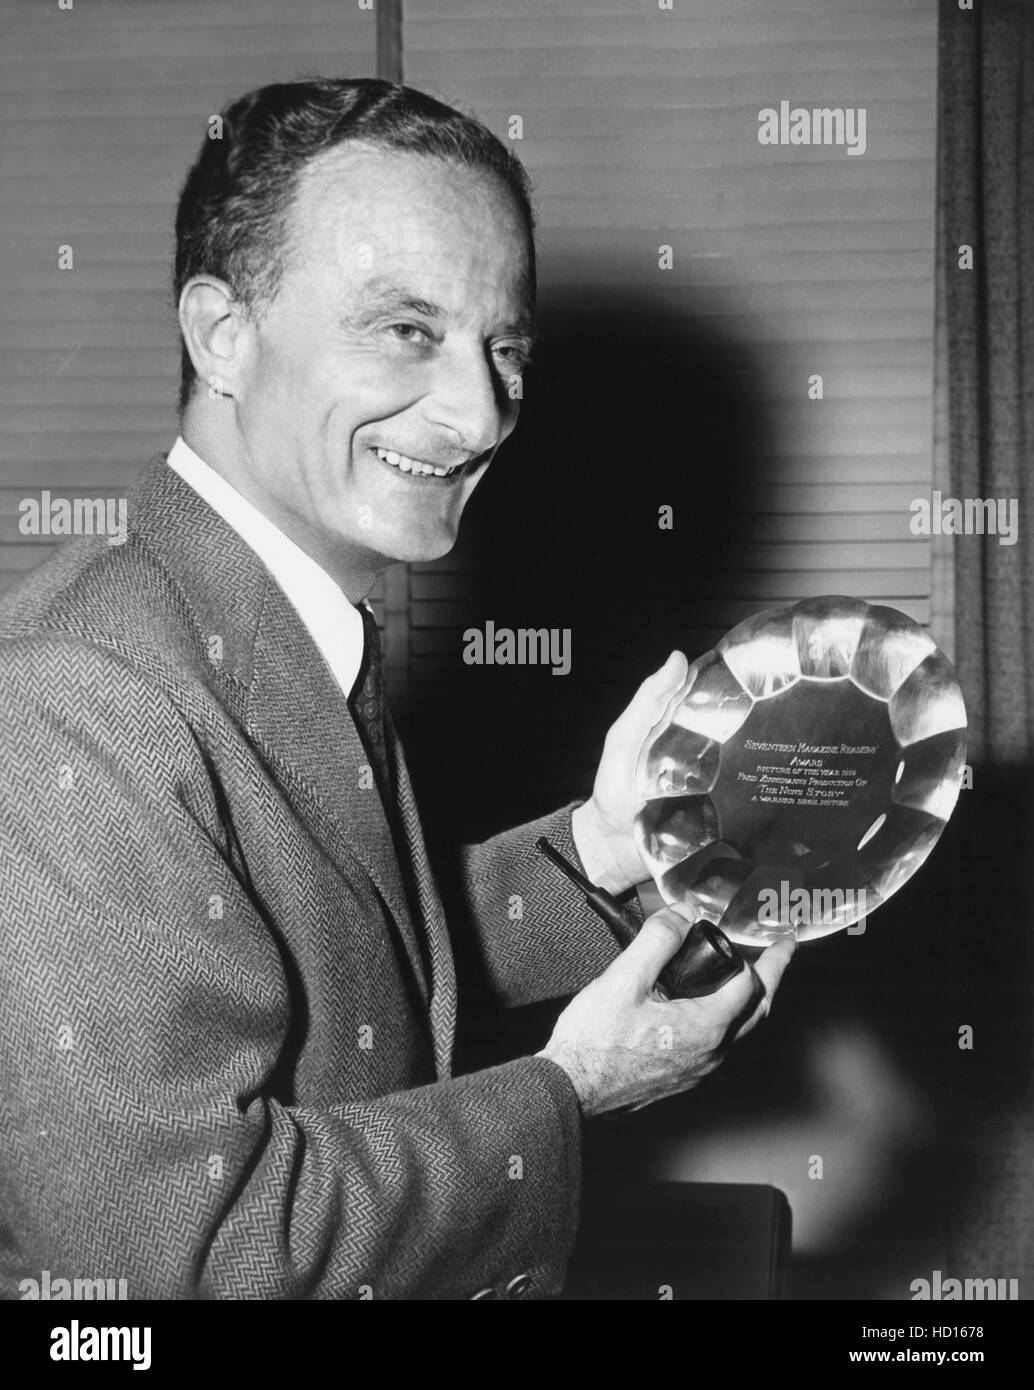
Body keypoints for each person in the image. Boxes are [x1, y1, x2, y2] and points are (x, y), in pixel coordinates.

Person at [0, 77, 794, 1301]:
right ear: (221, 333)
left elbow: (343, 962)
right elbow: (186, 1262)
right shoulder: (75, 695)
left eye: (505, 346)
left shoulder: (274, 618)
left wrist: (605, 848)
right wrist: (568, 1092)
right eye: (405, 330)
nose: (481, 412)